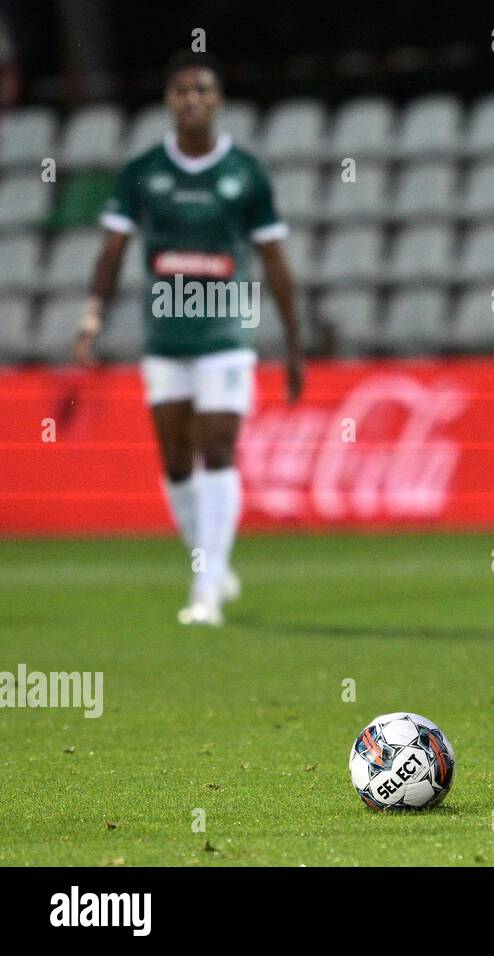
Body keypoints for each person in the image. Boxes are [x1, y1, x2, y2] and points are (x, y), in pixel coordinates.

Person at [73, 51, 303, 626]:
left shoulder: (246, 173)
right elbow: (112, 250)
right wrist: (92, 317)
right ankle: (213, 561)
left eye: (202, 89)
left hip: (226, 332)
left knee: (219, 448)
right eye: (181, 90)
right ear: (168, 101)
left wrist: (294, 342)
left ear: (218, 100)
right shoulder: (143, 171)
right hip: (166, 337)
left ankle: (204, 593)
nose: (192, 98)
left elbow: (273, 257)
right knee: (177, 461)